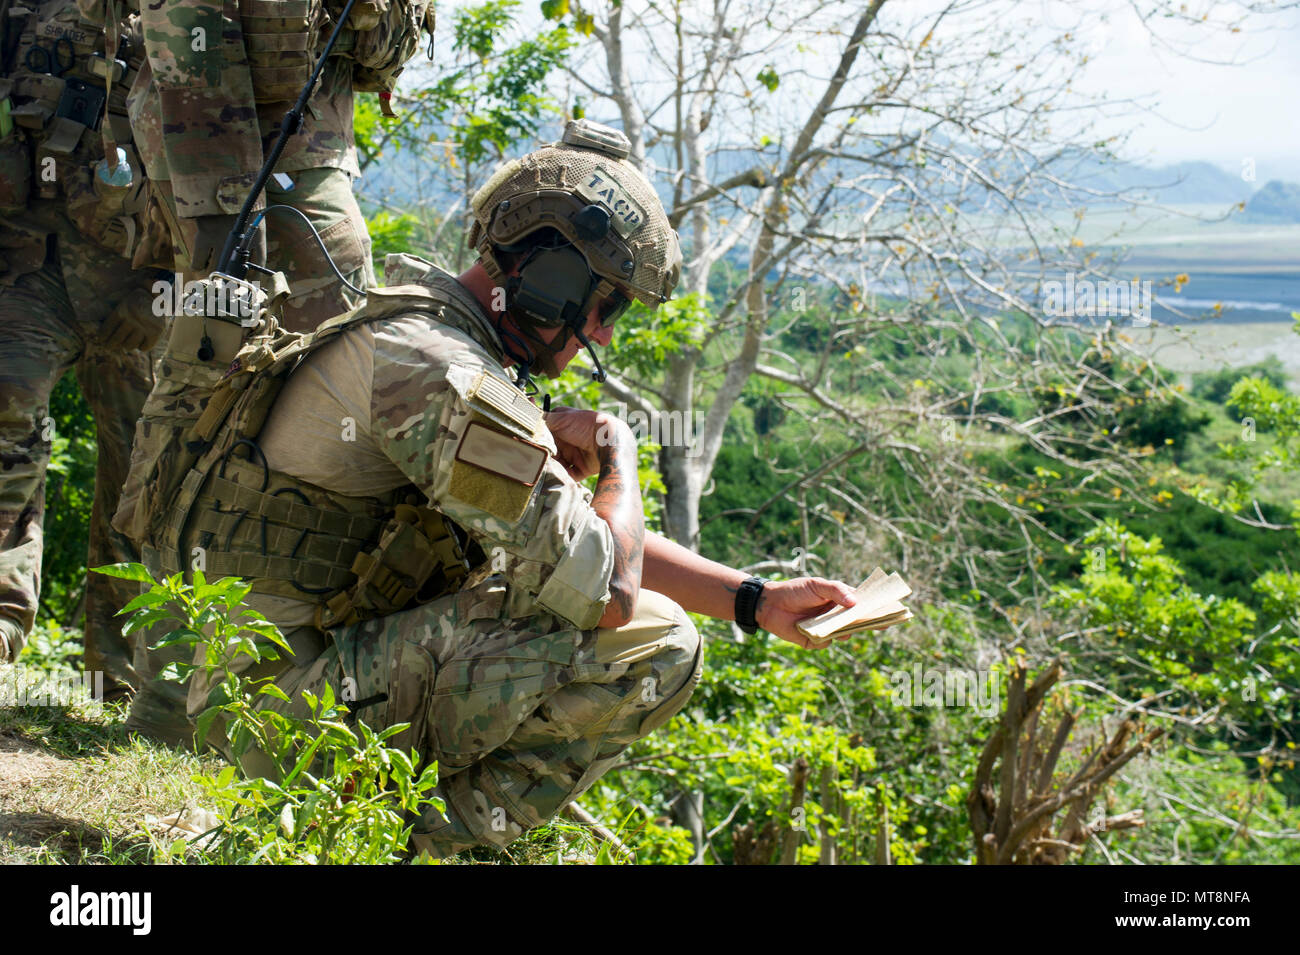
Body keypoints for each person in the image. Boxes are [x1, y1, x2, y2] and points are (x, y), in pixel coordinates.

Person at [124, 120, 859, 857]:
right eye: (609, 306)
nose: (602, 335)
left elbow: (578, 539)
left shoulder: (433, 333)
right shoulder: (439, 374)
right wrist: (619, 453)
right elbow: (609, 587)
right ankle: (416, 846)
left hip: (277, 692)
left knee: (568, 589)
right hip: (284, 721)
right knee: (657, 642)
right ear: (553, 279)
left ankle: (381, 827)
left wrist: (756, 600)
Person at [0, 0, 172, 695]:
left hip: (140, 284)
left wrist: (165, 287)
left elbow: (231, 167)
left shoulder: (187, 18)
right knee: (5, 411)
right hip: (34, 266)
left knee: (139, 469)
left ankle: (118, 674)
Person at [127, 0, 433, 332]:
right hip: (251, 153)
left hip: (289, 145)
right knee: (334, 339)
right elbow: (189, 23)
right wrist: (218, 196)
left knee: (228, 343)